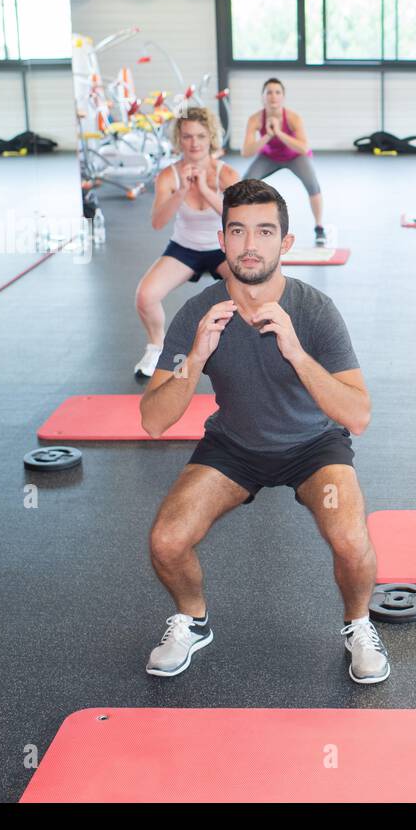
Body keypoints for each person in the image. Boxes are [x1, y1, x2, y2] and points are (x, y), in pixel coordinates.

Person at [139, 179, 387, 684]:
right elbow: (153, 419)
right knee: (167, 539)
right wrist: (196, 357)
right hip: (234, 446)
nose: (251, 245)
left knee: (349, 536)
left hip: (314, 447)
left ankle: (359, 625)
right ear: (223, 240)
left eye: (265, 232)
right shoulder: (197, 312)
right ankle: (193, 620)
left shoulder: (315, 310)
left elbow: (357, 414)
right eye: (238, 231)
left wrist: (297, 353)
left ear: (286, 243)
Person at [134, 108, 241, 378]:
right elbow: (158, 222)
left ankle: (243, 349)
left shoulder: (226, 175)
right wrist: (182, 190)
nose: (194, 143)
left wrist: (205, 190)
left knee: (252, 291)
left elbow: (239, 217)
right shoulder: (169, 176)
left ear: (211, 138)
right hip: (185, 248)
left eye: (200, 136)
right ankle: (156, 347)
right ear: (179, 140)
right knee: (145, 296)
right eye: (187, 136)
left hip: (222, 248)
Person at [242, 78, 326, 246]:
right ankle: (245, 226)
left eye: (277, 92)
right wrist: (268, 135)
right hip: (269, 157)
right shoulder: (255, 119)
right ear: (262, 97)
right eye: (269, 92)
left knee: (313, 186)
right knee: (245, 185)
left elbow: (303, 148)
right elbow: (246, 152)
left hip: (295, 156)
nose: (273, 96)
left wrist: (279, 133)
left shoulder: (293, 118)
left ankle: (319, 227)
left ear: (283, 97)